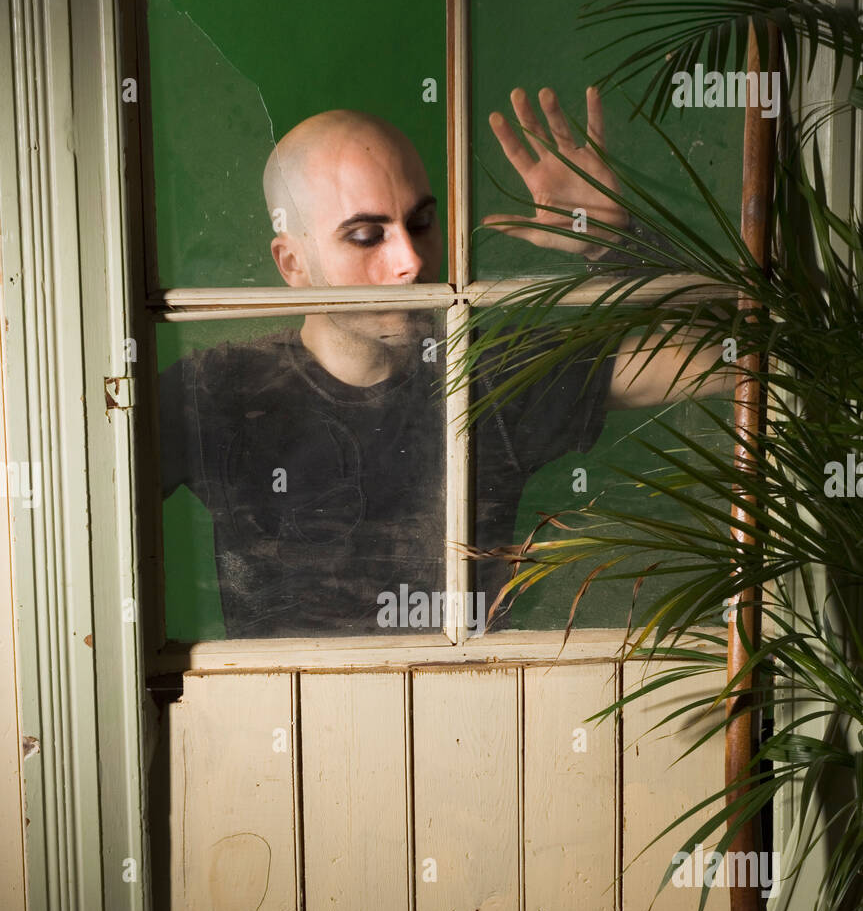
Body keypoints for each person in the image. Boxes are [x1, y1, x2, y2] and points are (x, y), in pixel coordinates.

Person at [160, 89, 733, 638]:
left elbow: (736, 352)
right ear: (294, 264)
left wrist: (616, 243)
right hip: (282, 729)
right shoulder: (219, 391)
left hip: (477, 725)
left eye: (422, 222)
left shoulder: (490, 371)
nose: (411, 260)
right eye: (366, 236)